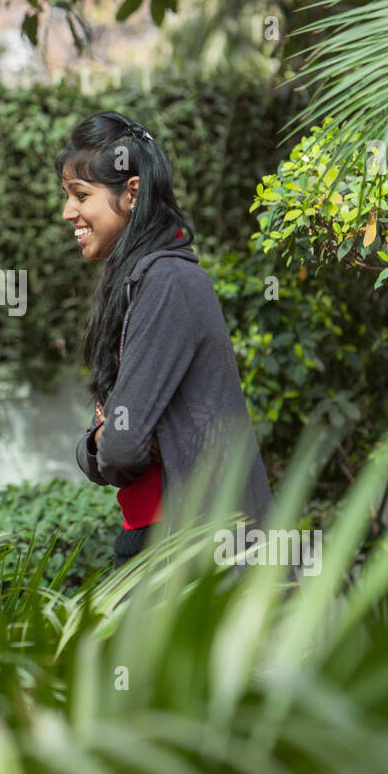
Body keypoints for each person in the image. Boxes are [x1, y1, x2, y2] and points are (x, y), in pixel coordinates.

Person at [57, 112, 273, 571]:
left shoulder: (168, 281)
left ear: (131, 192)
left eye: (80, 195)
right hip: (163, 541)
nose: (67, 212)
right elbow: (114, 442)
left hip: (188, 550)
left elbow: (120, 446)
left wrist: (102, 440)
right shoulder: (139, 281)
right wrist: (101, 440)